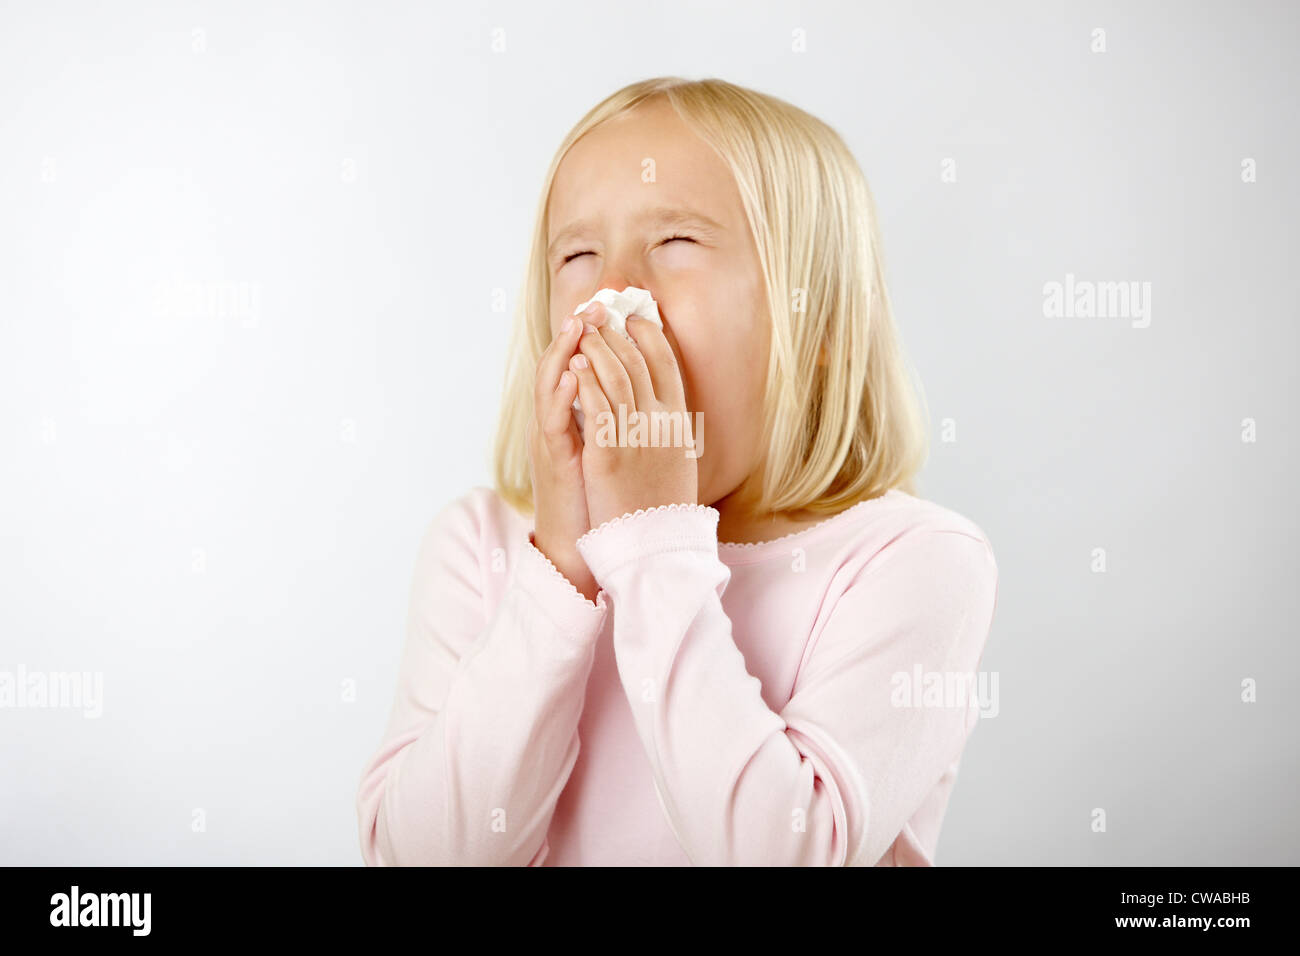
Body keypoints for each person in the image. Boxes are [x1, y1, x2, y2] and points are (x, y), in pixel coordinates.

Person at [355, 76, 999, 866]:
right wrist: (560, 567)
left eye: (676, 244)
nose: (611, 293)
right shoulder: (480, 545)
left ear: (818, 315)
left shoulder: (910, 560)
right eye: (578, 254)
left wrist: (653, 543)